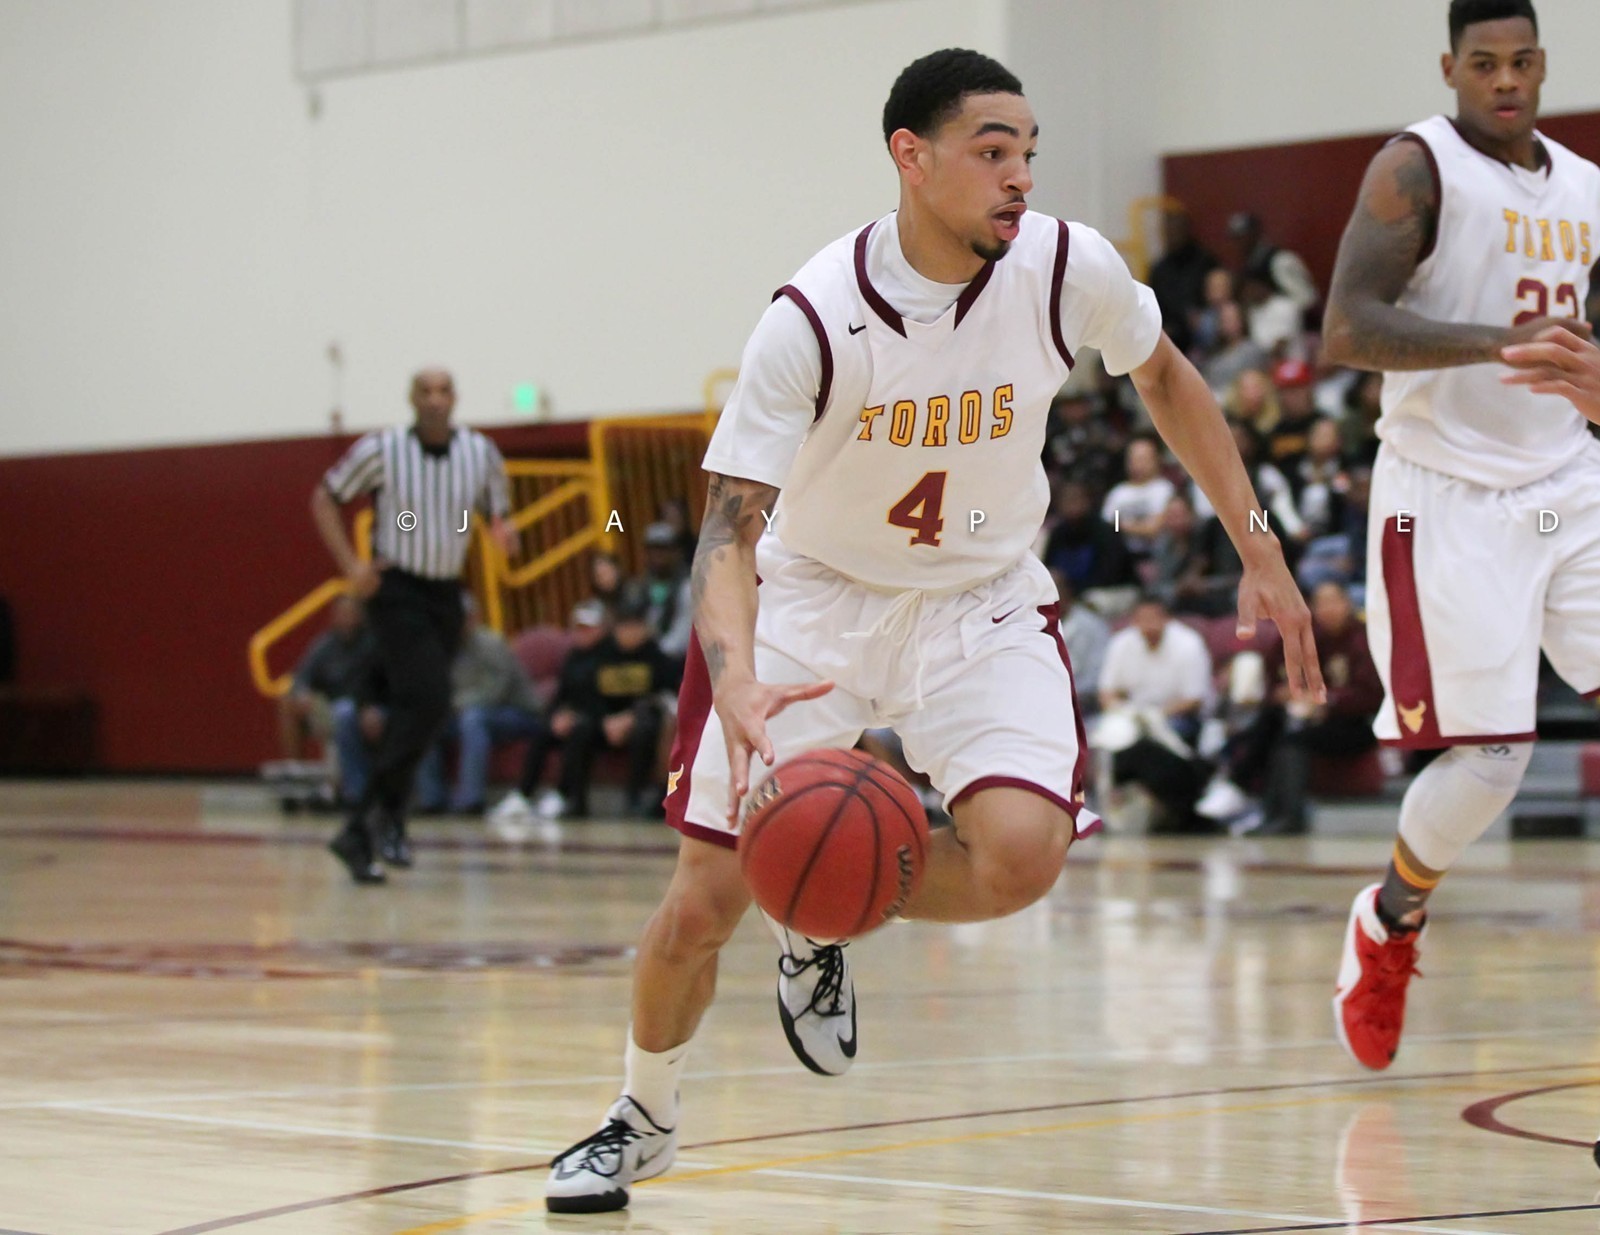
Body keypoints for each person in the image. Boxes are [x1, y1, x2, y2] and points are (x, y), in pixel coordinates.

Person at [544, 48, 1319, 1213]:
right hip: (812, 596)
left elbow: (1165, 377)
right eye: (990, 151)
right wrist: (739, 676)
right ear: (911, 158)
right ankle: (639, 1114)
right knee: (700, 906)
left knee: (1019, 858)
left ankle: (819, 909)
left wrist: (1258, 542)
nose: (1018, 178)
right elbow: (726, 533)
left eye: (1028, 154)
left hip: (980, 596)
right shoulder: (810, 318)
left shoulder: (1065, 266)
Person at [1320, 0, 1600, 1072]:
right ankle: (1389, 918)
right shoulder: (1414, 166)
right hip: (1443, 490)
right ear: (1450, 67)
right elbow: (1347, 326)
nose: (1503, 81)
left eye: (1521, 61)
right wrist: (1501, 342)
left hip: (1566, 476)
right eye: (1482, 63)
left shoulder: (1583, 187)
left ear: (1541, 64)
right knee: (1490, 757)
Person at [311, 367, 516, 883]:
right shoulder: (381, 449)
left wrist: (502, 532)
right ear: (411, 399)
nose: (435, 399)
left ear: (456, 398)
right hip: (396, 588)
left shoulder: (480, 452)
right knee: (428, 699)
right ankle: (384, 822)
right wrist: (351, 567)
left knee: (420, 710)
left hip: (446, 593)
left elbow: (498, 511)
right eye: (425, 391)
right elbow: (324, 498)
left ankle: (366, 829)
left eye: (444, 390)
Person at [1229, 581, 1384, 836]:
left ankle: (1282, 813)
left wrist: (1326, 701)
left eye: (1334, 602)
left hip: (1358, 723)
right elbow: (1275, 676)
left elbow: (1372, 695)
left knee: (1292, 740)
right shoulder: (1305, 634)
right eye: (1321, 603)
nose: (1328, 610)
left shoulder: (1365, 639)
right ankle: (1260, 806)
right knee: (1273, 720)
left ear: (1348, 605)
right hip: (1308, 717)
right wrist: (1285, 693)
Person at [414, 597, 545, 815]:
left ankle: (471, 801)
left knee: (473, 719)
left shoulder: (491, 644)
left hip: (518, 713)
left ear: (473, 618)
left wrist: (454, 704)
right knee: (427, 721)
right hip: (470, 713)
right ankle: (432, 800)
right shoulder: (445, 647)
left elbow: (496, 692)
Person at [491, 599, 611, 830]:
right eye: (579, 627)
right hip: (572, 717)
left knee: (579, 731)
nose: (583, 633)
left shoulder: (610, 656)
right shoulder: (573, 657)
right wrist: (558, 715)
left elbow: (607, 700)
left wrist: (576, 717)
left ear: (602, 629)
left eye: (589, 627)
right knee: (543, 729)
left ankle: (564, 795)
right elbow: (562, 695)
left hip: (599, 722)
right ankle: (523, 794)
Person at [276, 595, 376, 798]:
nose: (345, 618)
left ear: (361, 616)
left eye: (350, 613)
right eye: (341, 614)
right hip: (329, 708)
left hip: (362, 706)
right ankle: (297, 774)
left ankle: (349, 788)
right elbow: (301, 677)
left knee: (344, 713)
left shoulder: (372, 644)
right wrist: (303, 694)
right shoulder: (325, 645)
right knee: (287, 700)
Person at [1148, 204, 1218, 355]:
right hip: (1170, 329)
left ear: (1186, 231)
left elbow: (1218, 296)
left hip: (1199, 329)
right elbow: (1153, 305)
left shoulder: (1204, 261)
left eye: (1176, 231)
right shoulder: (1159, 269)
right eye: (1168, 232)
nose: (1172, 236)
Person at [1100, 436, 1176, 563]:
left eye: (1143, 459)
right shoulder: (1119, 493)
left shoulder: (1164, 489)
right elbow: (1111, 525)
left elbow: (1155, 528)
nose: (1138, 464)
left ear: (1156, 460)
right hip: (1124, 558)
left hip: (1159, 556)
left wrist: (1124, 525)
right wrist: (1136, 526)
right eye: (1134, 459)